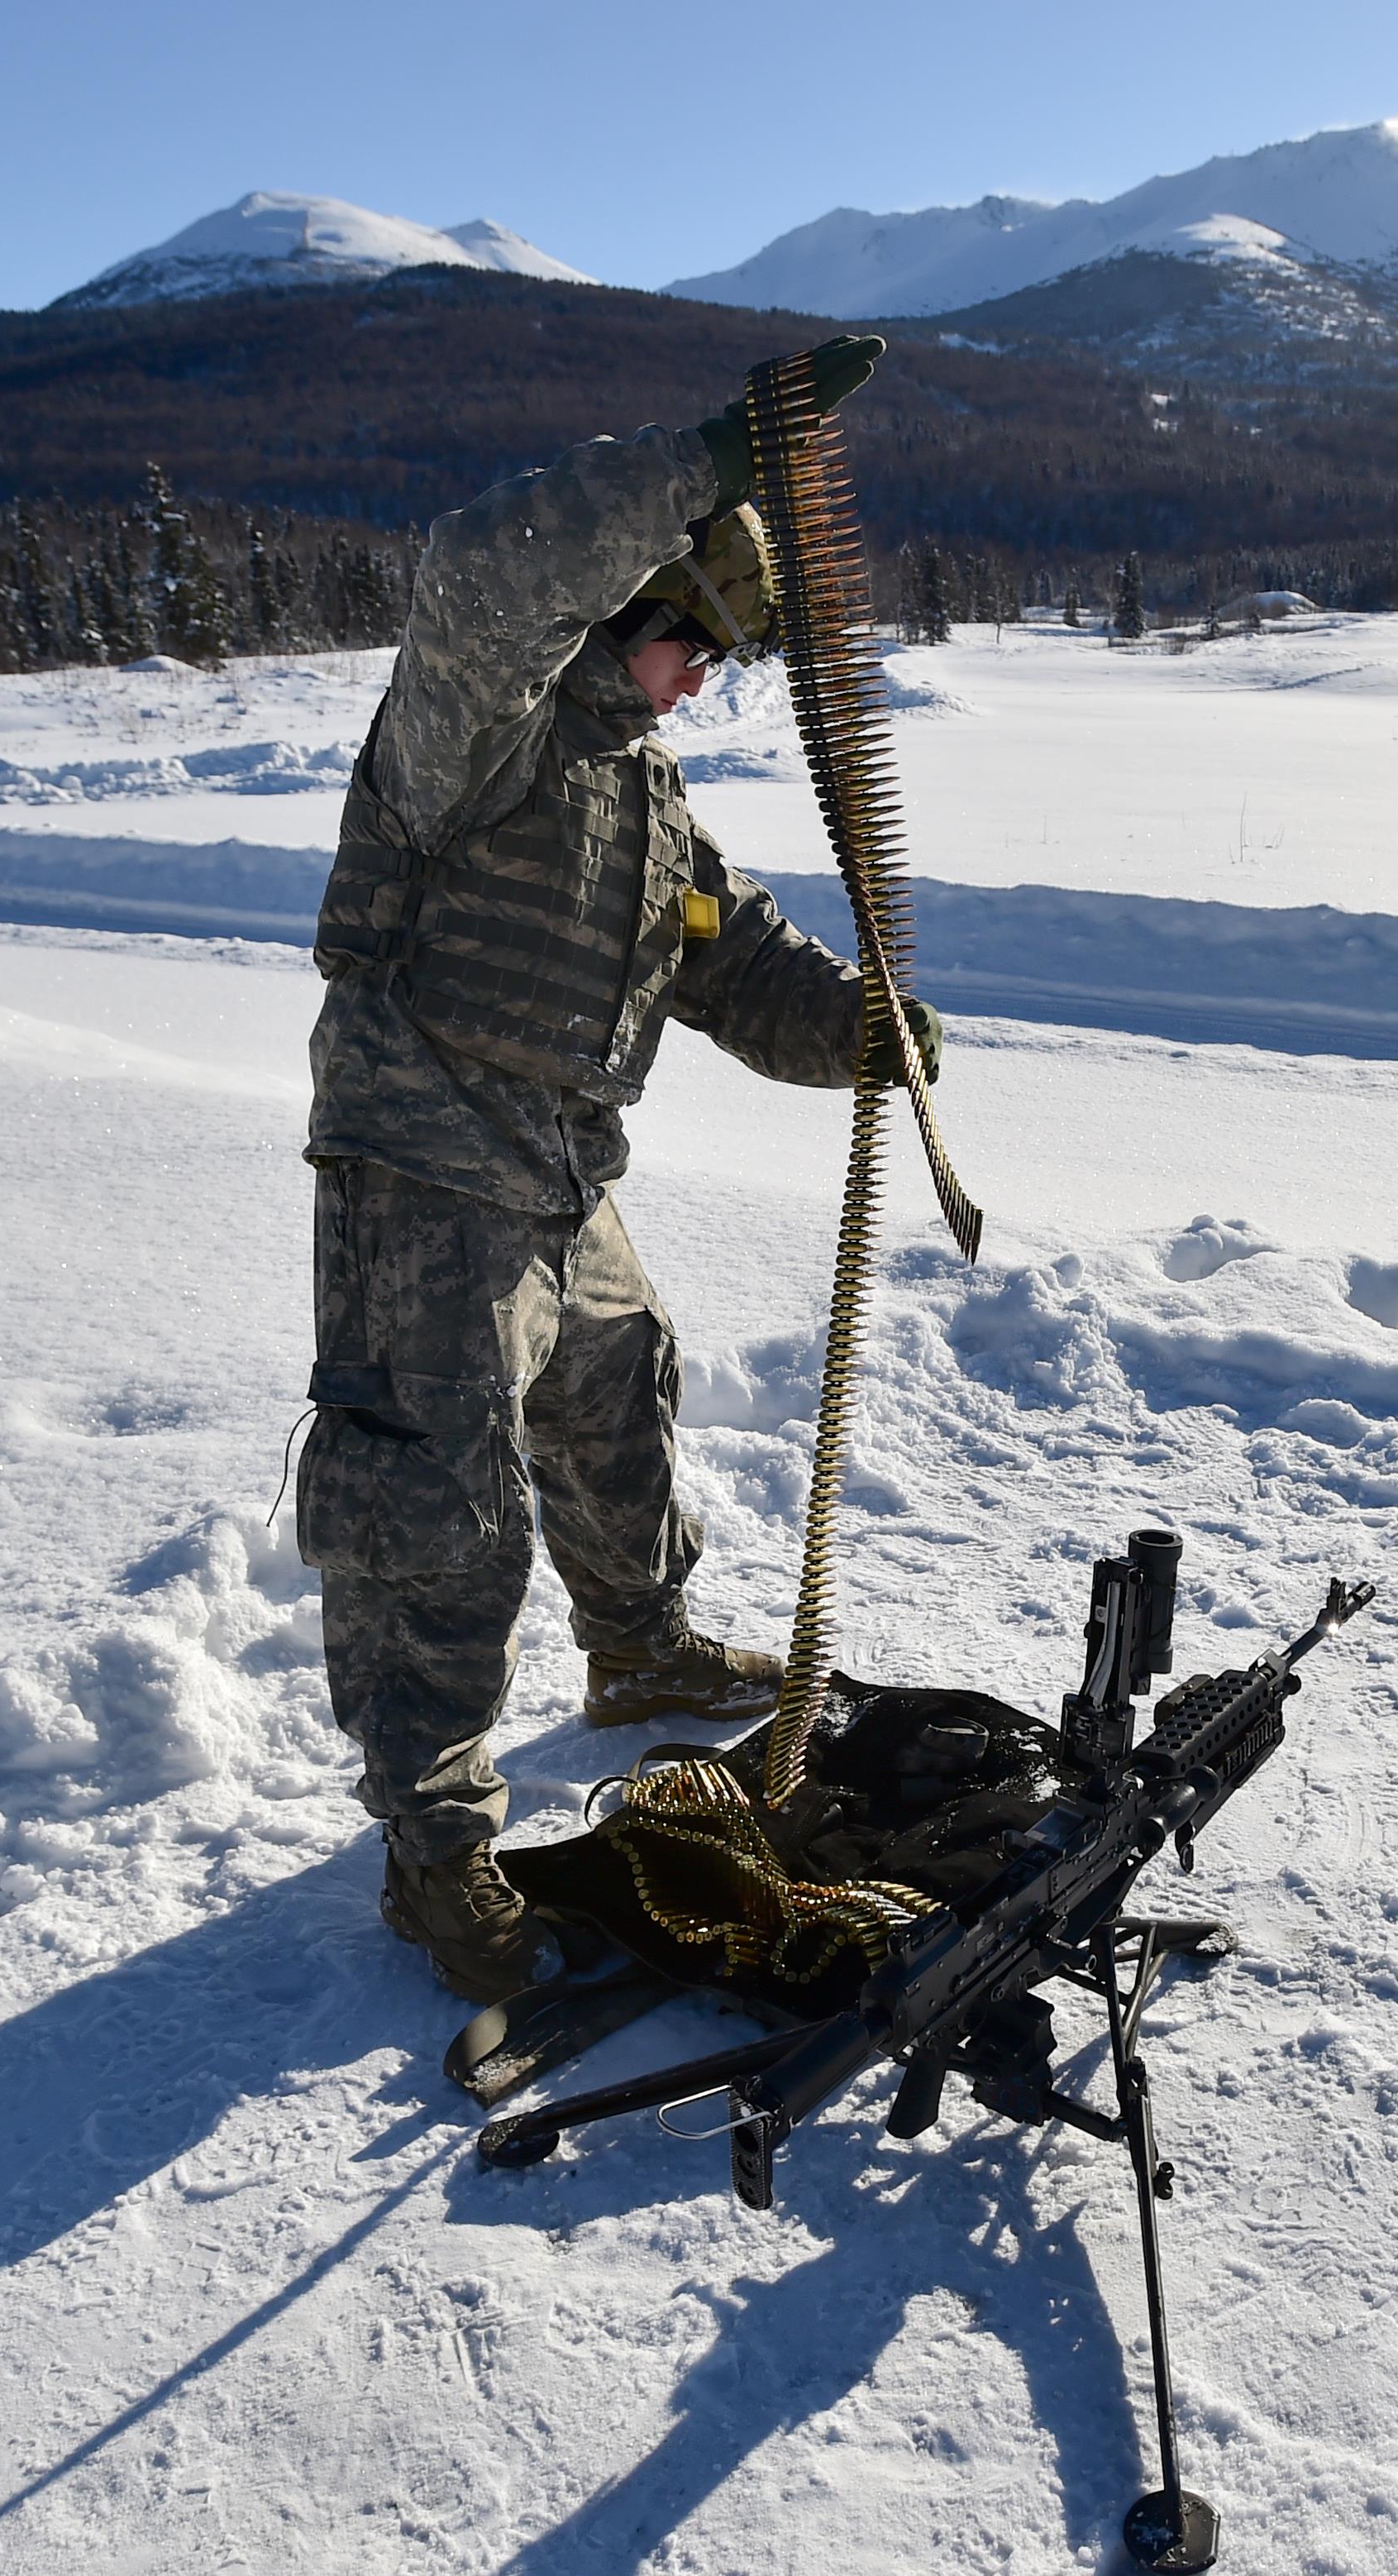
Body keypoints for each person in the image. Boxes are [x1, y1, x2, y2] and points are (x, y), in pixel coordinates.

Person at [296, 332, 942, 2003]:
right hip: (425, 1167)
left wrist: (859, 1031)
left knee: (616, 1384)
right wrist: (713, 457)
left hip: (557, 1173)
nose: (697, 687)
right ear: (619, 612)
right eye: (686, 649)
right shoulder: (480, 727)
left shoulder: (645, 802)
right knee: (436, 1508)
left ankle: (639, 1645)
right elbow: (480, 569)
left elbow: (732, 962)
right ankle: (434, 1852)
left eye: (718, 666)